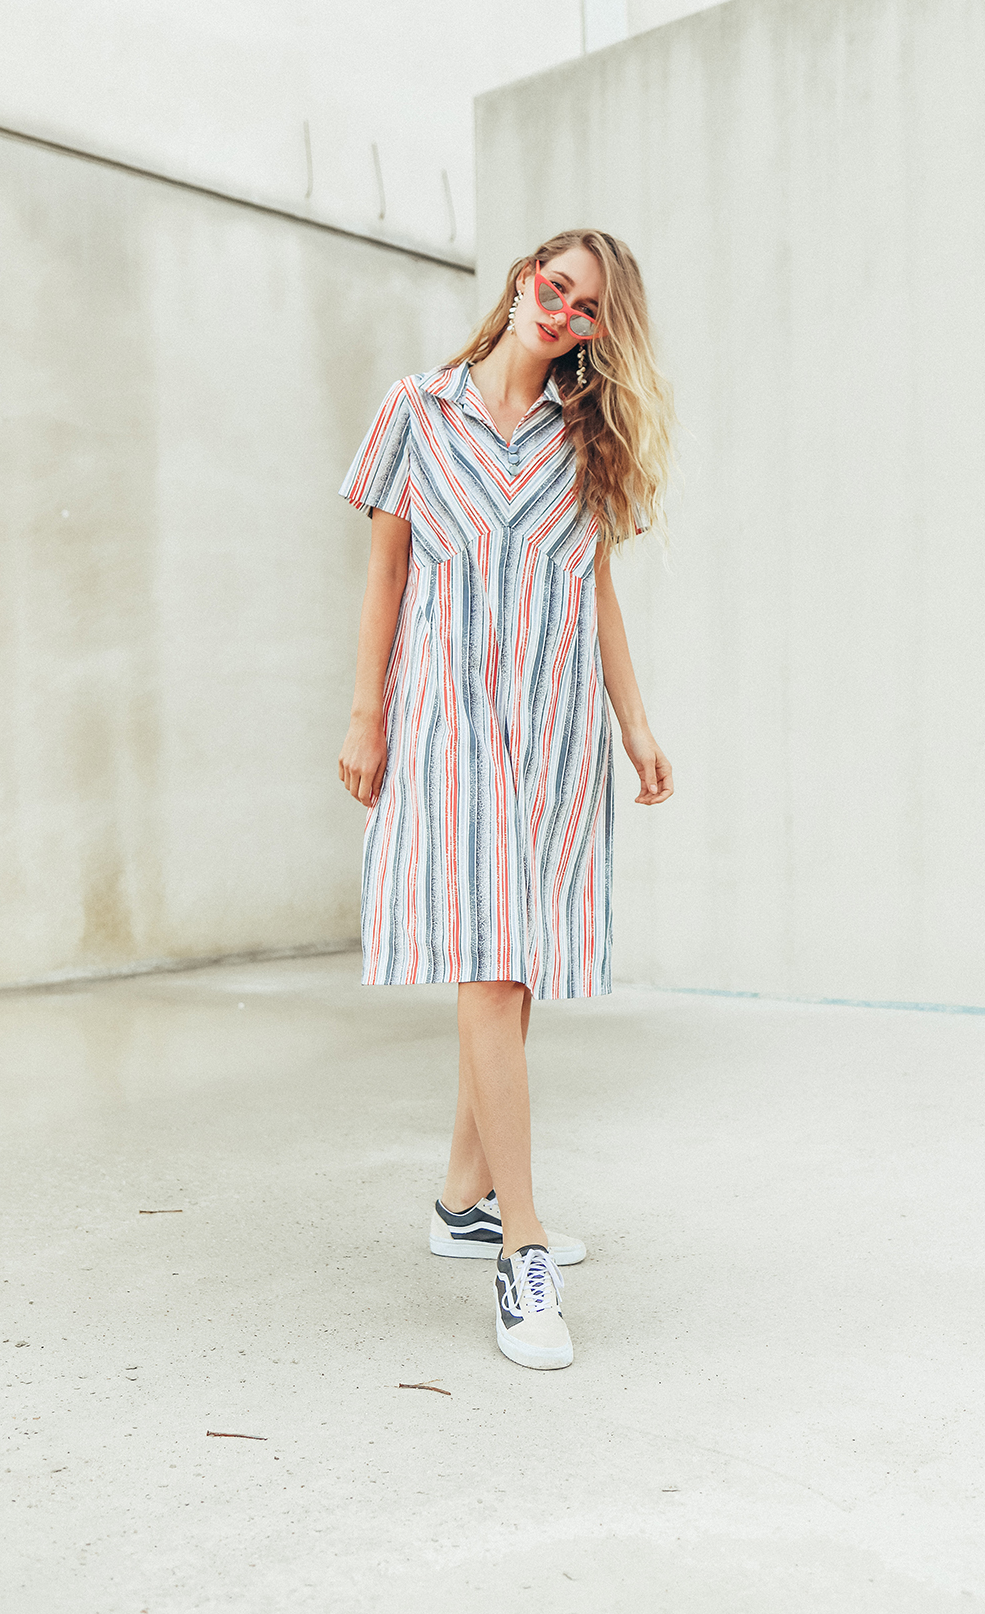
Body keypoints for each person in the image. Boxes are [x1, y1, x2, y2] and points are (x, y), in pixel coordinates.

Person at [337, 228, 674, 1371]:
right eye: (553, 284)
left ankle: (460, 1201)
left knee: (518, 965)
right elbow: (385, 572)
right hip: (451, 719)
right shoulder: (418, 411)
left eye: (586, 309)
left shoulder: (584, 442)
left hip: (557, 728)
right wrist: (366, 714)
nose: (561, 310)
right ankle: (517, 1245)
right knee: (490, 962)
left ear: (597, 334)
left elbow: (600, 595)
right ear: (522, 278)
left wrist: (635, 726)